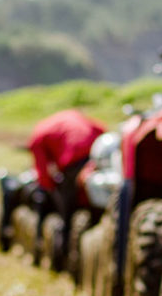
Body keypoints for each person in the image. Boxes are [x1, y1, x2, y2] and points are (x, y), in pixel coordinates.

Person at [28, 109, 107, 263]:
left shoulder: (40, 131)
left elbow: (42, 171)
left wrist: (52, 190)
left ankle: (64, 254)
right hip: (97, 160)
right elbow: (103, 130)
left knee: (67, 212)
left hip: (74, 163)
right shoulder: (79, 117)